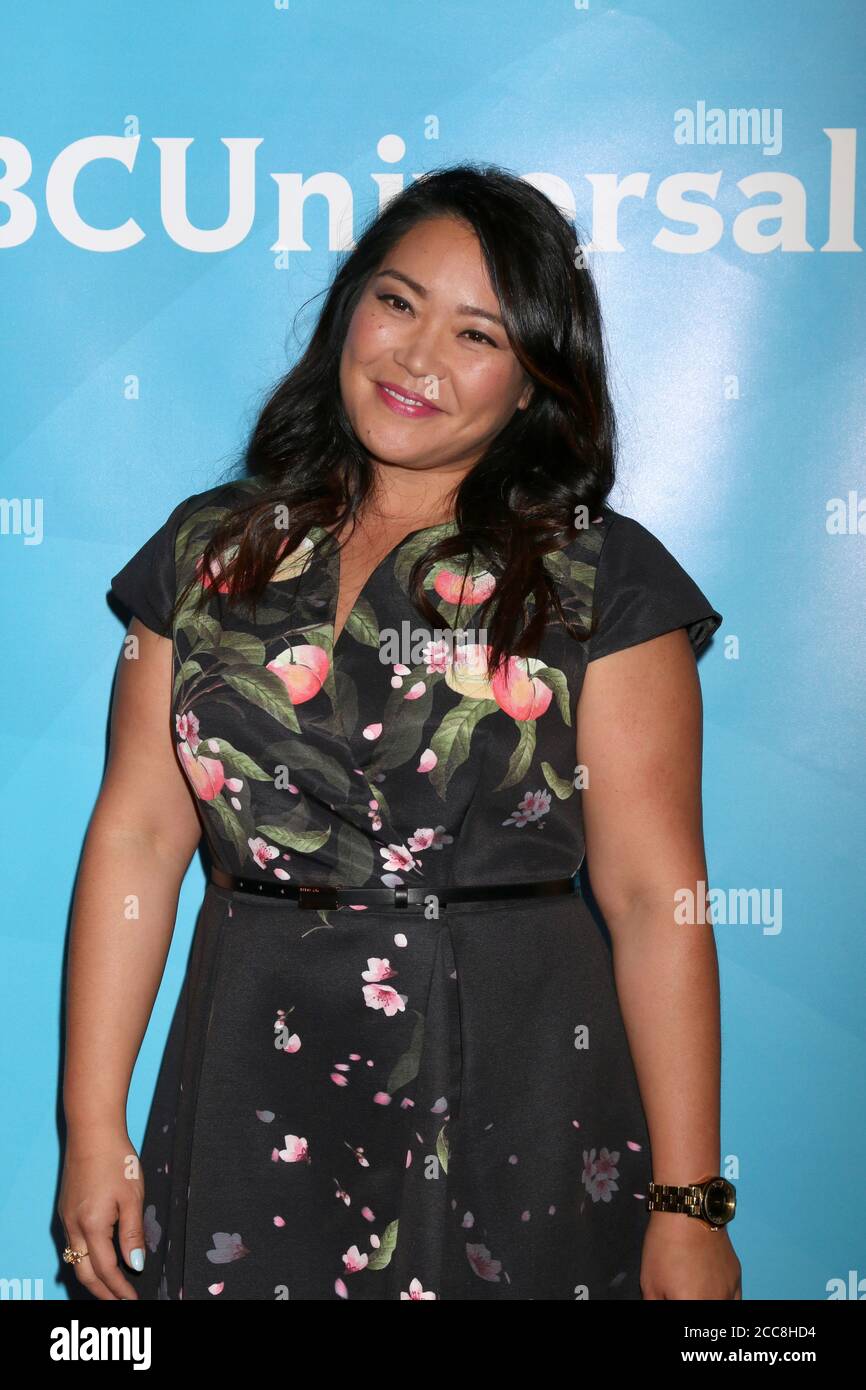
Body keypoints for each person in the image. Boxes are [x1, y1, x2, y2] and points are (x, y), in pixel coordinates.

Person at [59, 163, 741, 1301]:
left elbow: (652, 901)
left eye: (476, 332)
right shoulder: (207, 551)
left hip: (509, 1092)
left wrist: (686, 1207)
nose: (415, 357)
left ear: (533, 384)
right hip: (246, 1084)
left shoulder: (598, 579)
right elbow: (134, 838)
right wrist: (94, 1125)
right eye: (395, 301)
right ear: (347, 311)